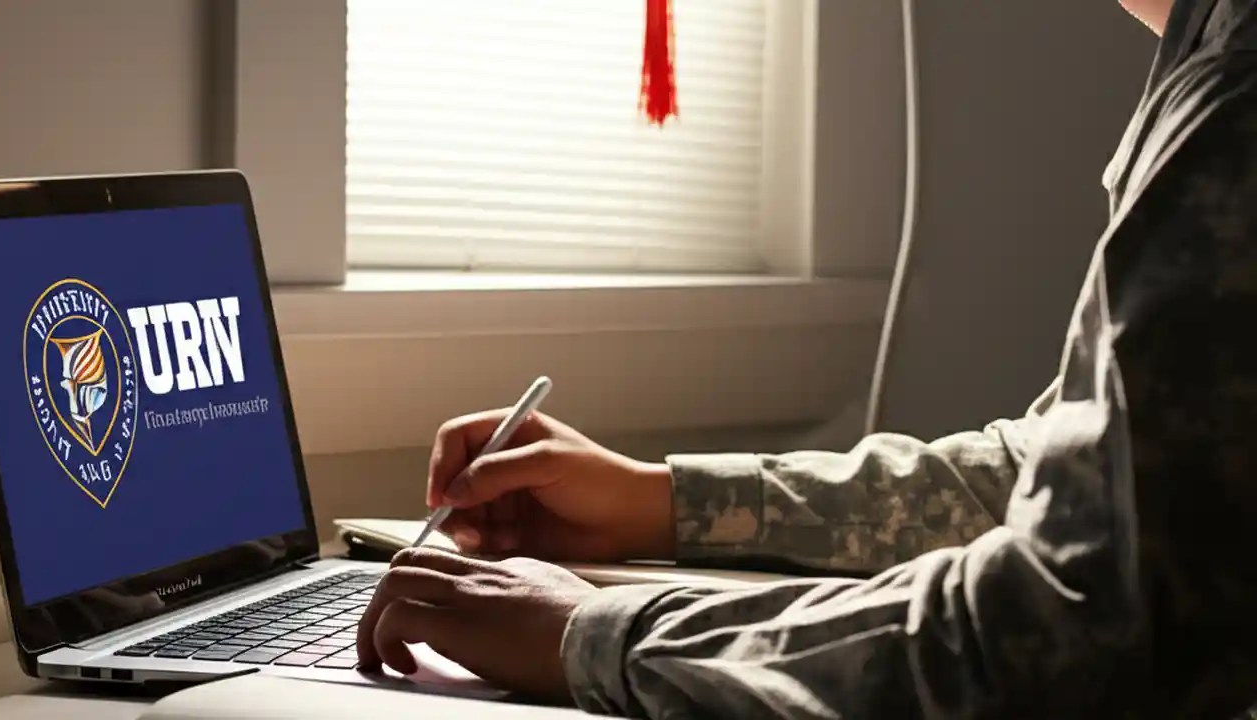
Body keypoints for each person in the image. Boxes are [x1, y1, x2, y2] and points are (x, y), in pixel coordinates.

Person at [356, 0, 1257, 716]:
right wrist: (657, 505)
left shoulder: (1238, 97)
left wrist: (592, 634)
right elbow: (1048, 481)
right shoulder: (1208, 56)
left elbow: (1076, 630)